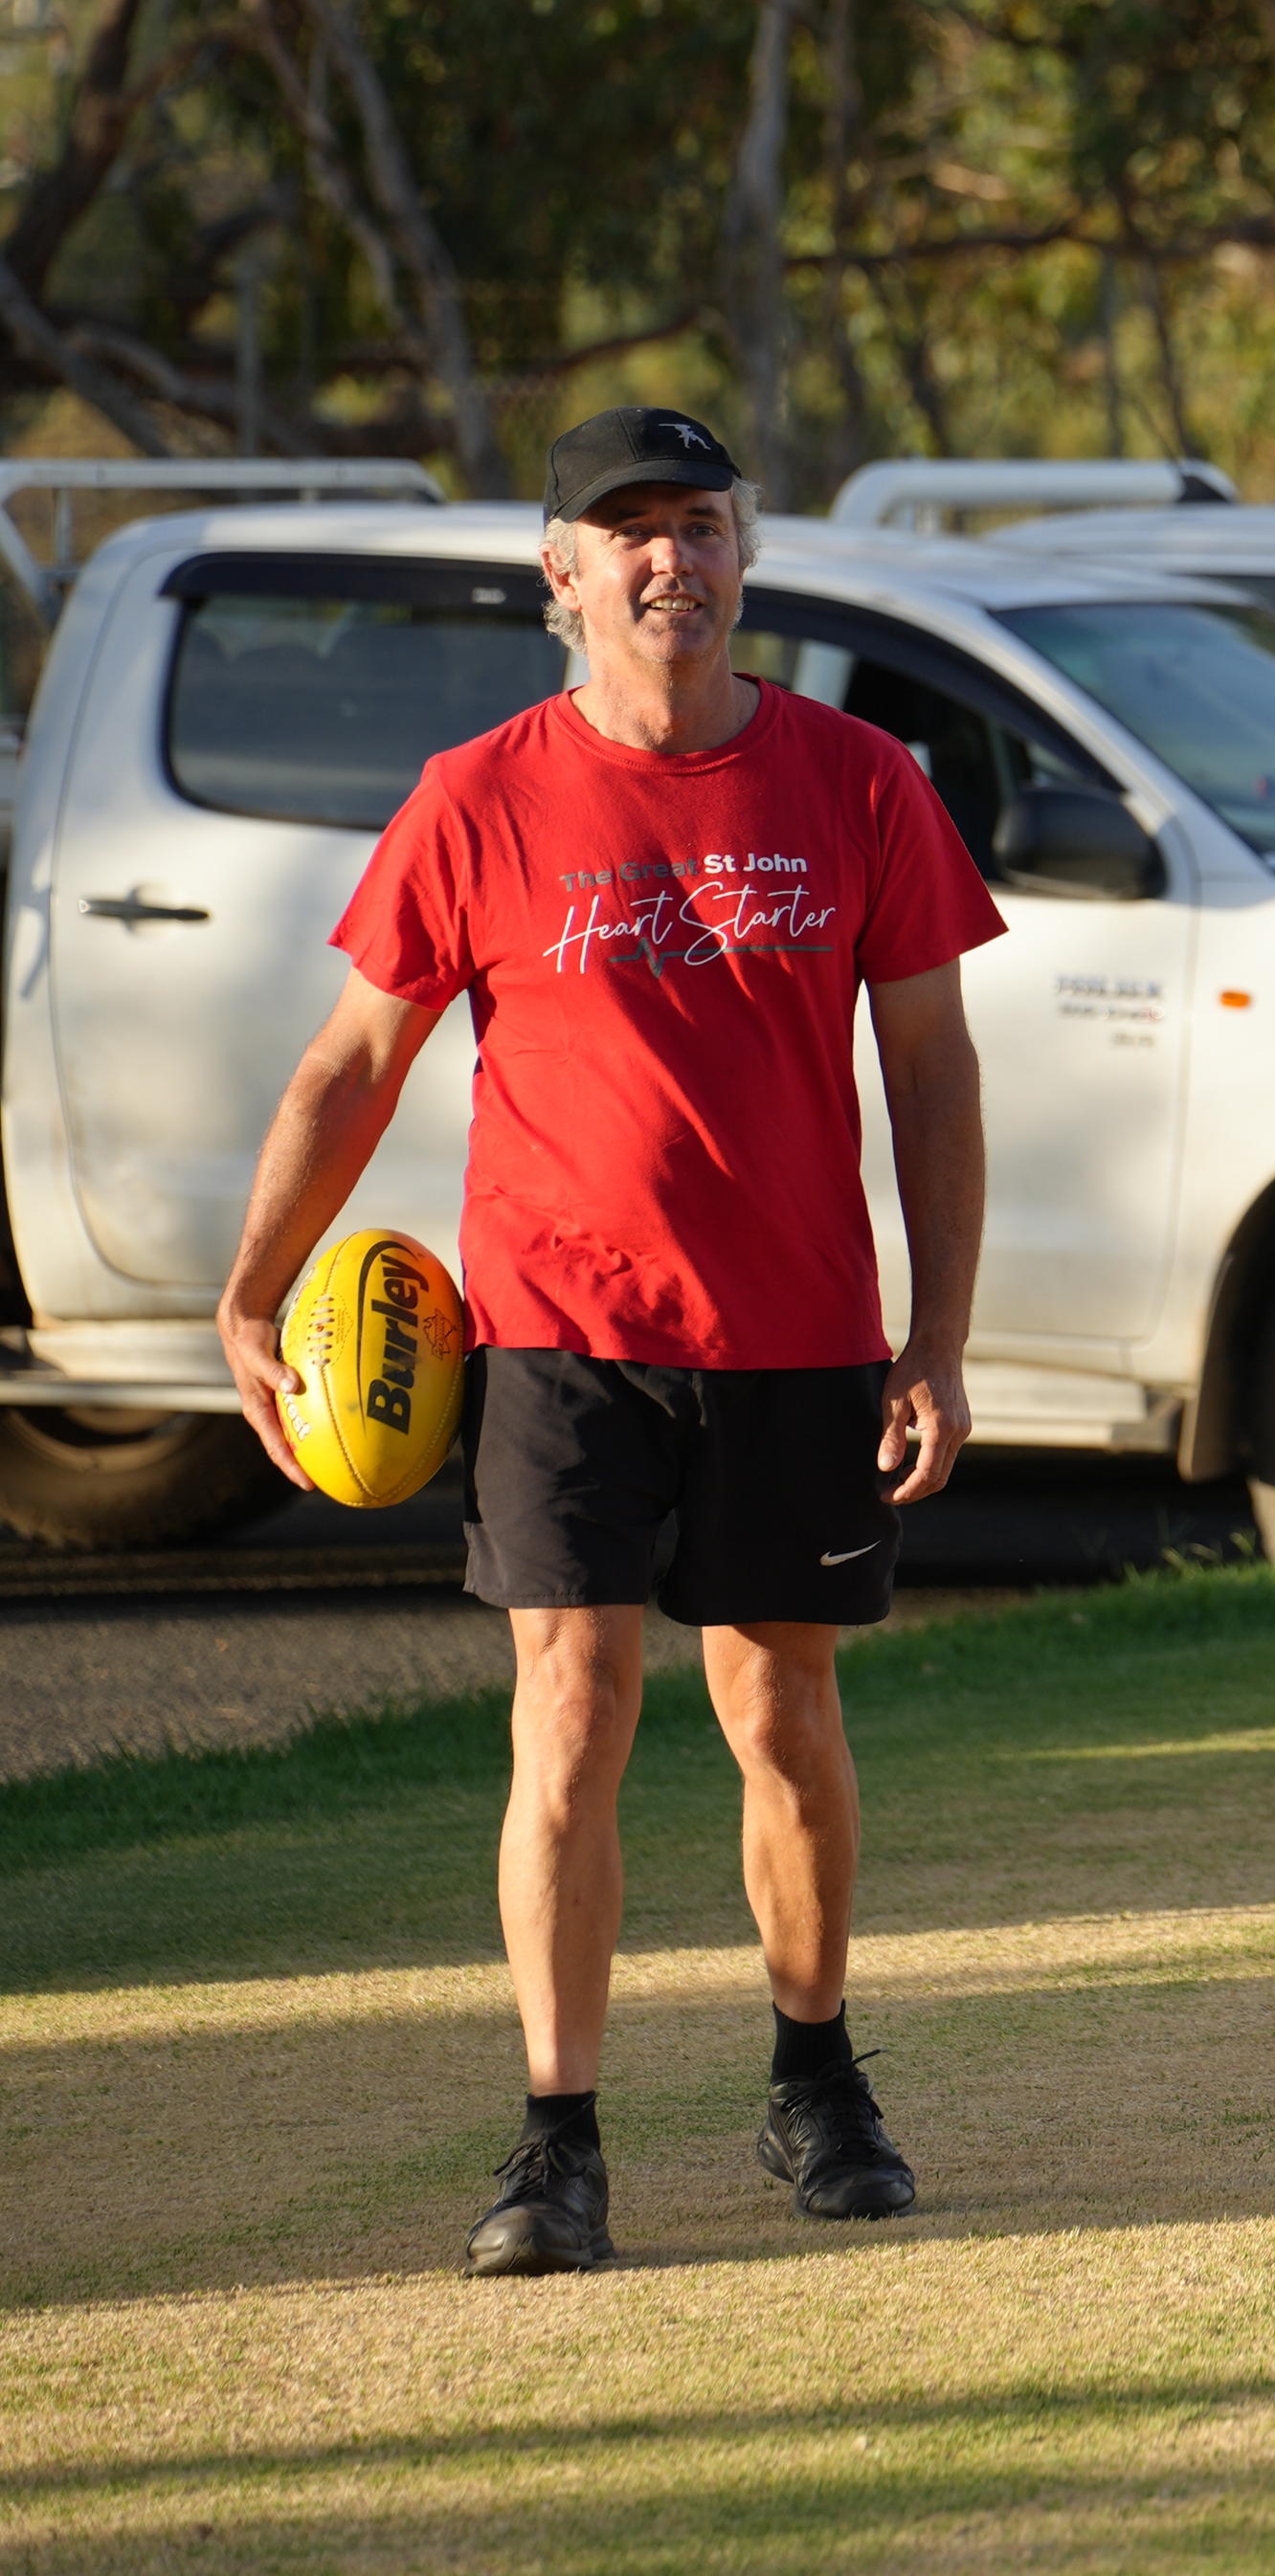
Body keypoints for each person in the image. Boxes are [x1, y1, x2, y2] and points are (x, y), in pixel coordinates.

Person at [216, 404, 1002, 2276]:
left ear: (745, 550)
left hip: (795, 1328)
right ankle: (556, 2139)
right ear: (560, 572)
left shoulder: (861, 780)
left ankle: (816, 2074)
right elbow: (351, 1062)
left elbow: (933, 1070)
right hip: (557, 1329)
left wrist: (941, 1335)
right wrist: (252, 1286)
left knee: (781, 1711)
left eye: (701, 522)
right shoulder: (476, 795)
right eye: (630, 529)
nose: (673, 557)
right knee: (569, 1708)